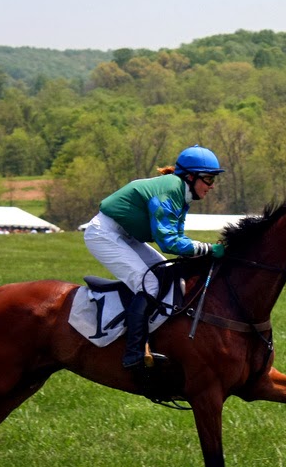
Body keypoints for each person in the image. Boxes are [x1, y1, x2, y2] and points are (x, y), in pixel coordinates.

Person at [84, 144, 226, 369]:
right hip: (103, 233)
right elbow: (169, 242)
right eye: (208, 179)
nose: (212, 186)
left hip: (125, 235)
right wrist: (208, 249)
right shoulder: (170, 188)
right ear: (191, 176)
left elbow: (178, 238)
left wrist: (202, 252)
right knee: (149, 283)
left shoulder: (181, 193)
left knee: (164, 271)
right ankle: (134, 351)